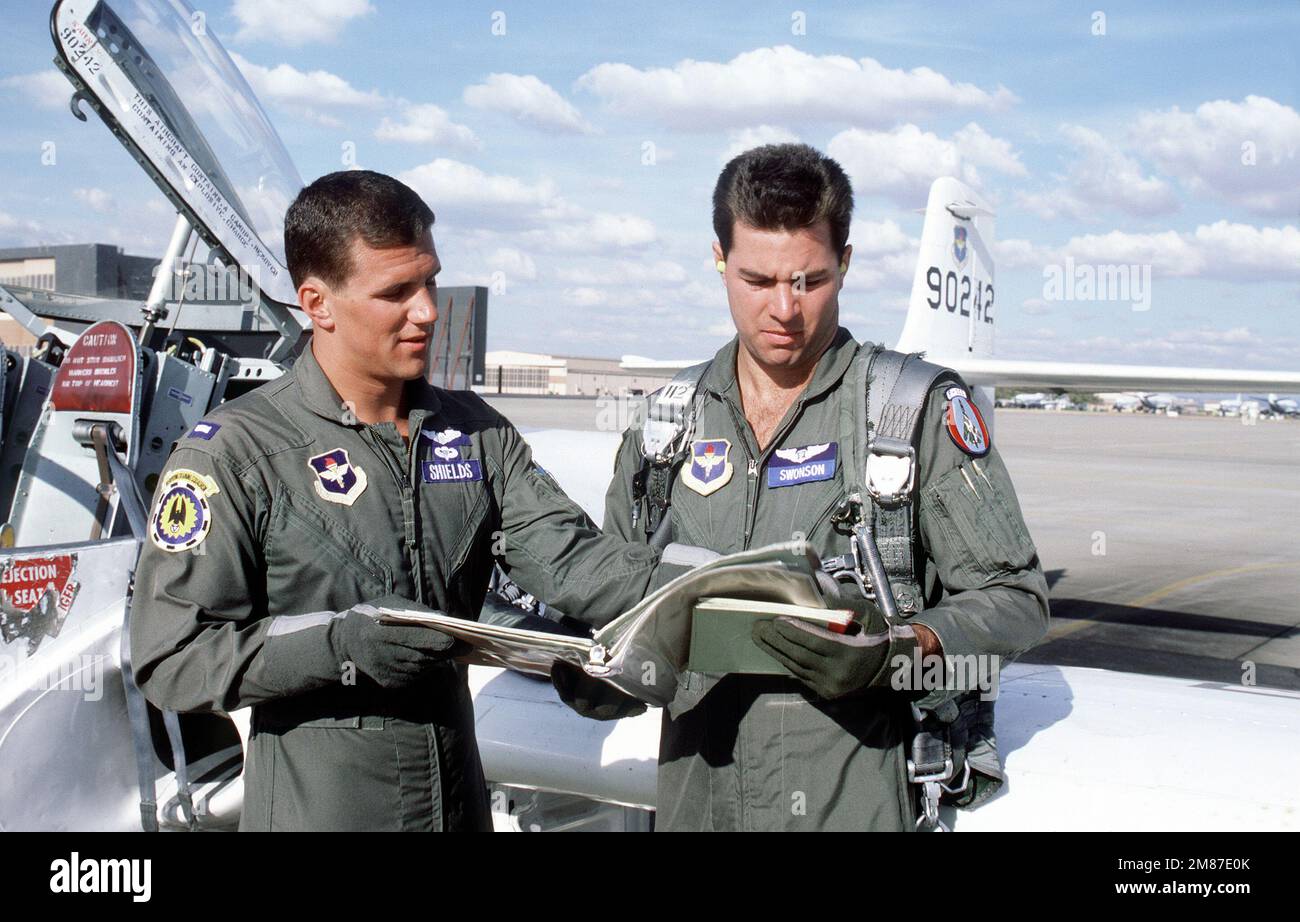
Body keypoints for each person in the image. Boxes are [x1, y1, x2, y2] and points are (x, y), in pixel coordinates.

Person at [130, 170, 665, 831]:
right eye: (396, 292)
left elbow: (579, 564)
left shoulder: (476, 435)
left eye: (430, 281)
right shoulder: (235, 456)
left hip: (457, 806)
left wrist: (637, 630)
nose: (429, 311)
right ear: (318, 303)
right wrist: (338, 647)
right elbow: (171, 657)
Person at [556, 144, 1049, 831]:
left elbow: (1016, 600)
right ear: (719, 260)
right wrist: (597, 677)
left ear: (845, 262)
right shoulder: (667, 424)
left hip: (854, 803)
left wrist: (904, 652)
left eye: (809, 281)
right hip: (696, 807)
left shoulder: (912, 414)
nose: (783, 309)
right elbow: (621, 608)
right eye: (757, 280)